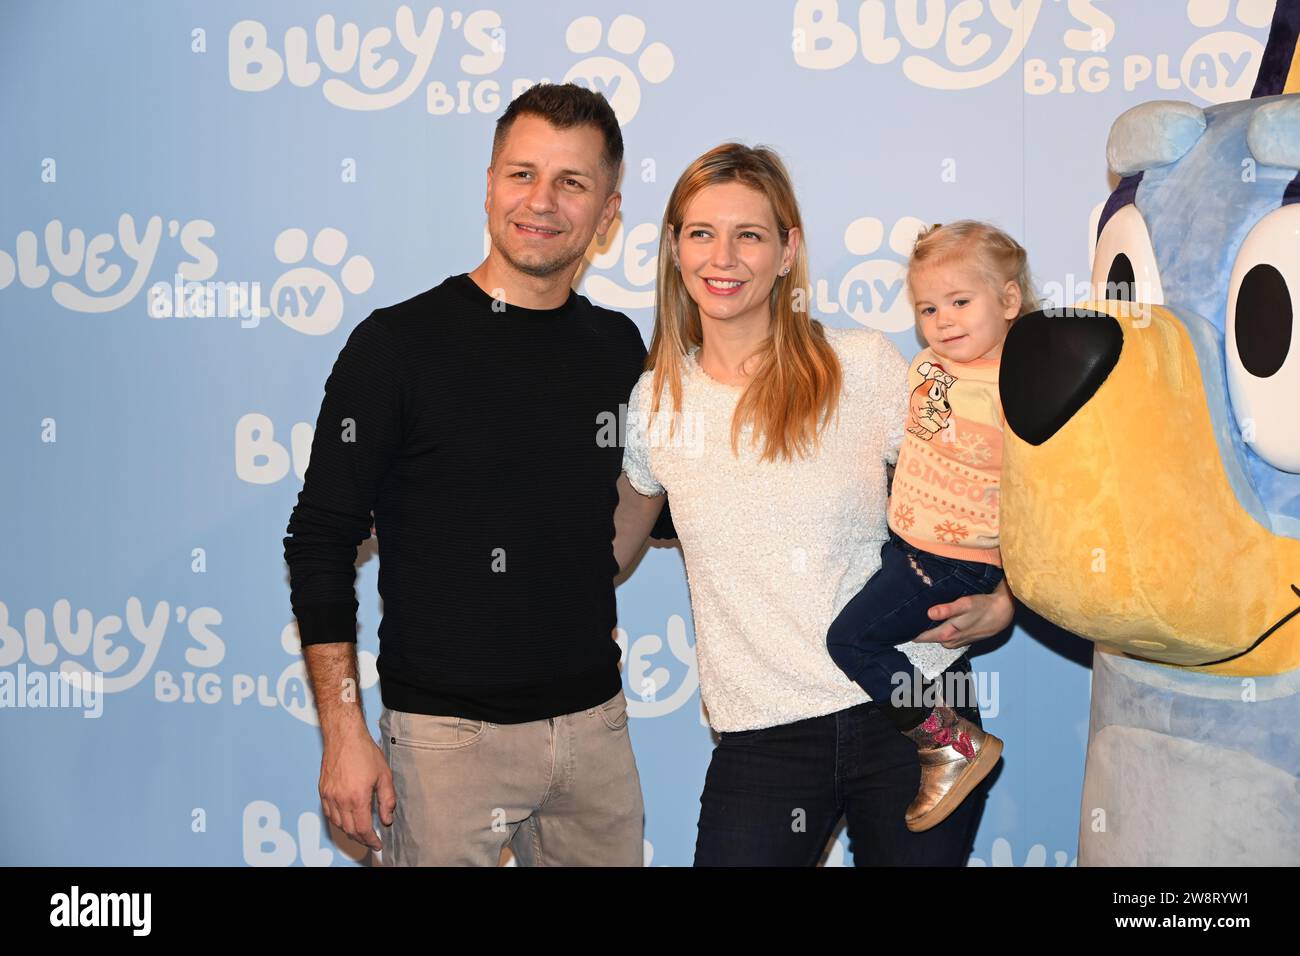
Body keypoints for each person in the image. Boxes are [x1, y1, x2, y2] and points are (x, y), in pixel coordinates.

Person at [283, 83, 669, 866]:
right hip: (442, 750)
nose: (542, 201)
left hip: (596, 736)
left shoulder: (619, 350)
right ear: (489, 185)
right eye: (522, 174)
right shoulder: (395, 346)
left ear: (608, 211)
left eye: (573, 182)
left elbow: (626, 533)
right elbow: (320, 541)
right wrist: (344, 732)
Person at [621, 144, 1015, 866]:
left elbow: (993, 473)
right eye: (702, 232)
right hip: (764, 737)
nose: (725, 256)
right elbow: (608, 549)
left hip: (915, 720)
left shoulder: (861, 364)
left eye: (751, 234)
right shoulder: (656, 403)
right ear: (675, 248)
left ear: (787, 249)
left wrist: (1007, 596)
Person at [825, 220, 1034, 833]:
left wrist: (1009, 589)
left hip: (954, 561)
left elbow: (1043, 498)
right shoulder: (927, 368)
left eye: (960, 302)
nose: (943, 320)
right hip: (907, 545)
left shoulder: (1021, 385)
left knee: (851, 641)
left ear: (1009, 300)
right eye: (927, 307)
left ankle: (949, 743)